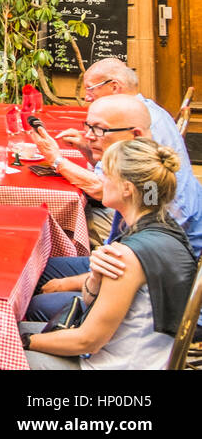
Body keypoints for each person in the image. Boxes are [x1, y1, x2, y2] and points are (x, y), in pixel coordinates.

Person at [18, 137, 197, 369]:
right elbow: (92, 302)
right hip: (149, 355)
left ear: (127, 189)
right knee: (13, 328)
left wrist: (24, 342)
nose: (101, 180)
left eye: (107, 174)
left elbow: (87, 341)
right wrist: (94, 277)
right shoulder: (162, 225)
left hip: (118, 363)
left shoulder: (127, 255)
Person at [27, 94, 201, 318]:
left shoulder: (151, 198)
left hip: (152, 295)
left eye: (99, 129)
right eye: (88, 127)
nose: (89, 136)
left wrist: (68, 284)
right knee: (39, 269)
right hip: (136, 267)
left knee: (40, 304)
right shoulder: (145, 164)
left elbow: (134, 267)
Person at [54, 57, 201, 253]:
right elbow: (125, 175)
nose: (87, 97)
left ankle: (78, 269)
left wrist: (57, 160)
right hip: (178, 220)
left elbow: (102, 189)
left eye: (90, 88)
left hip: (168, 234)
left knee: (64, 217)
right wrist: (87, 148)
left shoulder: (134, 128)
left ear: (114, 87)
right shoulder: (145, 110)